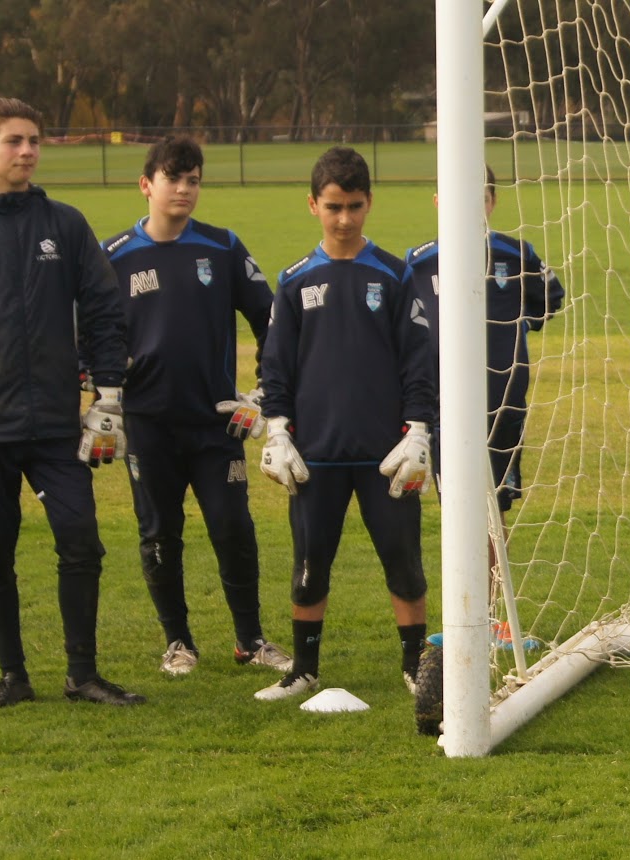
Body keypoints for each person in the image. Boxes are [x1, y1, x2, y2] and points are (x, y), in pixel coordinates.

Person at [0, 95, 145, 707]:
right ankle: (13, 678)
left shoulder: (65, 226)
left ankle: (82, 675)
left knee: (81, 539)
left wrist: (108, 396)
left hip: (57, 428)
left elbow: (103, 312)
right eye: (14, 141)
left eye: (34, 140)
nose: (28, 151)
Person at [100, 135, 292, 677]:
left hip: (216, 423)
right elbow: (87, 335)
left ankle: (250, 639)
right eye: (173, 178)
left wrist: (262, 394)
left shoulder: (222, 247)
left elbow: (273, 321)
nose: (184, 189)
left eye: (193, 180)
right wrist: (103, 395)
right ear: (146, 185)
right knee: (159, 530)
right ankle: (178, 641)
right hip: (148, 424)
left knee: (233, 527)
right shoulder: (113, 256)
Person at [253, 146, 437, 701]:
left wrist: (420, 432)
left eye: (355, 205)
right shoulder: (293, 281)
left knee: (404, 564)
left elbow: (419, 363)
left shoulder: (395, 274)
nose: (345, 218)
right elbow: (275, 367)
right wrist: (278, 430)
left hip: (387, 453)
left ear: (369, 203)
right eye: (333, 206)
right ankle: (303, 669)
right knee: (309, 567)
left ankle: (413, 667)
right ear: (312, 204)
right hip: (316, 456)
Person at [405, 165, 564, 590]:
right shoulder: (418, 263)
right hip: (443, 410)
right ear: (439, 201)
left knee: (495, 511)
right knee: (456, 512)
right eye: (455, 196)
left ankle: (495, 616)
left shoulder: (518, 255)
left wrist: (515, 328)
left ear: (492, 201)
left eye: (480, 196)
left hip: (502, 405)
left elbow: (550, 299)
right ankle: (463, 617)